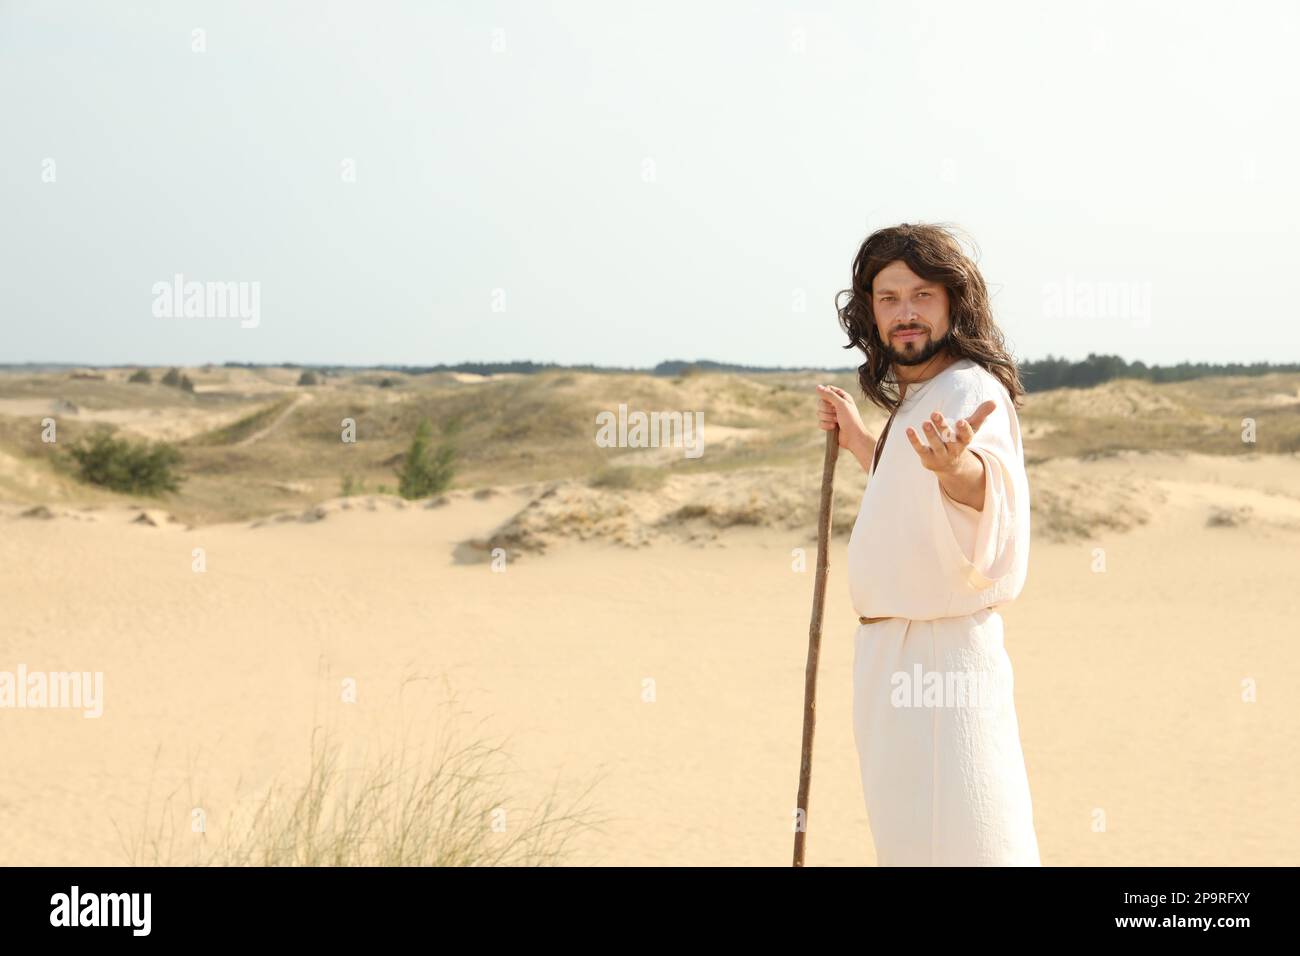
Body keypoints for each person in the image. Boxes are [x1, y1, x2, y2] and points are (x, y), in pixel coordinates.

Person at [815, 222, 1041, 866]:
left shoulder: (970, 390)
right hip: (898, 654)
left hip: (940, 661)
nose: (905, 312)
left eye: (921, 294)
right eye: (888, 298)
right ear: (870, 312)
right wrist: (865, 442)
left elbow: (984, 493)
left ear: (952, 303)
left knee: (967, 843)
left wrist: (956, 470)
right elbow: (915, 506)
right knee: (917, 845)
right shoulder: (924, 397)